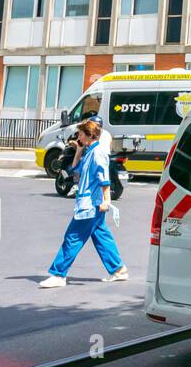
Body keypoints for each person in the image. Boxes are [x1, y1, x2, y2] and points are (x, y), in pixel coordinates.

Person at [39, 119, 128, 288]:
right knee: (101, 236)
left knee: (72, 237)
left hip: (91, 205)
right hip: (91, 203)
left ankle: (58, 274)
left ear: (89, 135)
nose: (78, 137)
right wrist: (79, 150)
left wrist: (107, 200)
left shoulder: (98, 152)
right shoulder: (90, 151)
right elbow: (75, 169)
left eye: (80, 134)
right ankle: (118, 269)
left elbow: (104, 178)